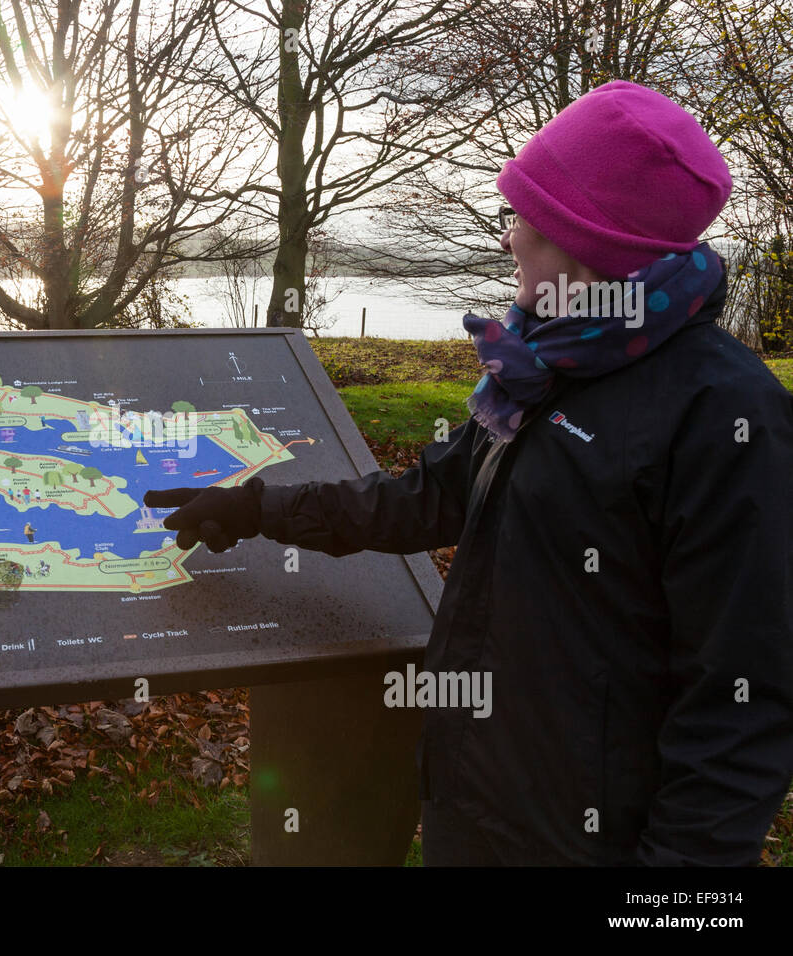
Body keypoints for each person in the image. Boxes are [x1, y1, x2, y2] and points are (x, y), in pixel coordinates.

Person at [143, 80, 793, 866]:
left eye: (527, 217)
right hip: (475, 807)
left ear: (589, 242)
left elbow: (743, 698)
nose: (510, 237)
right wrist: (255, 509)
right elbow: (427, 497)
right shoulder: (543, 366)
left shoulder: (726, 414)